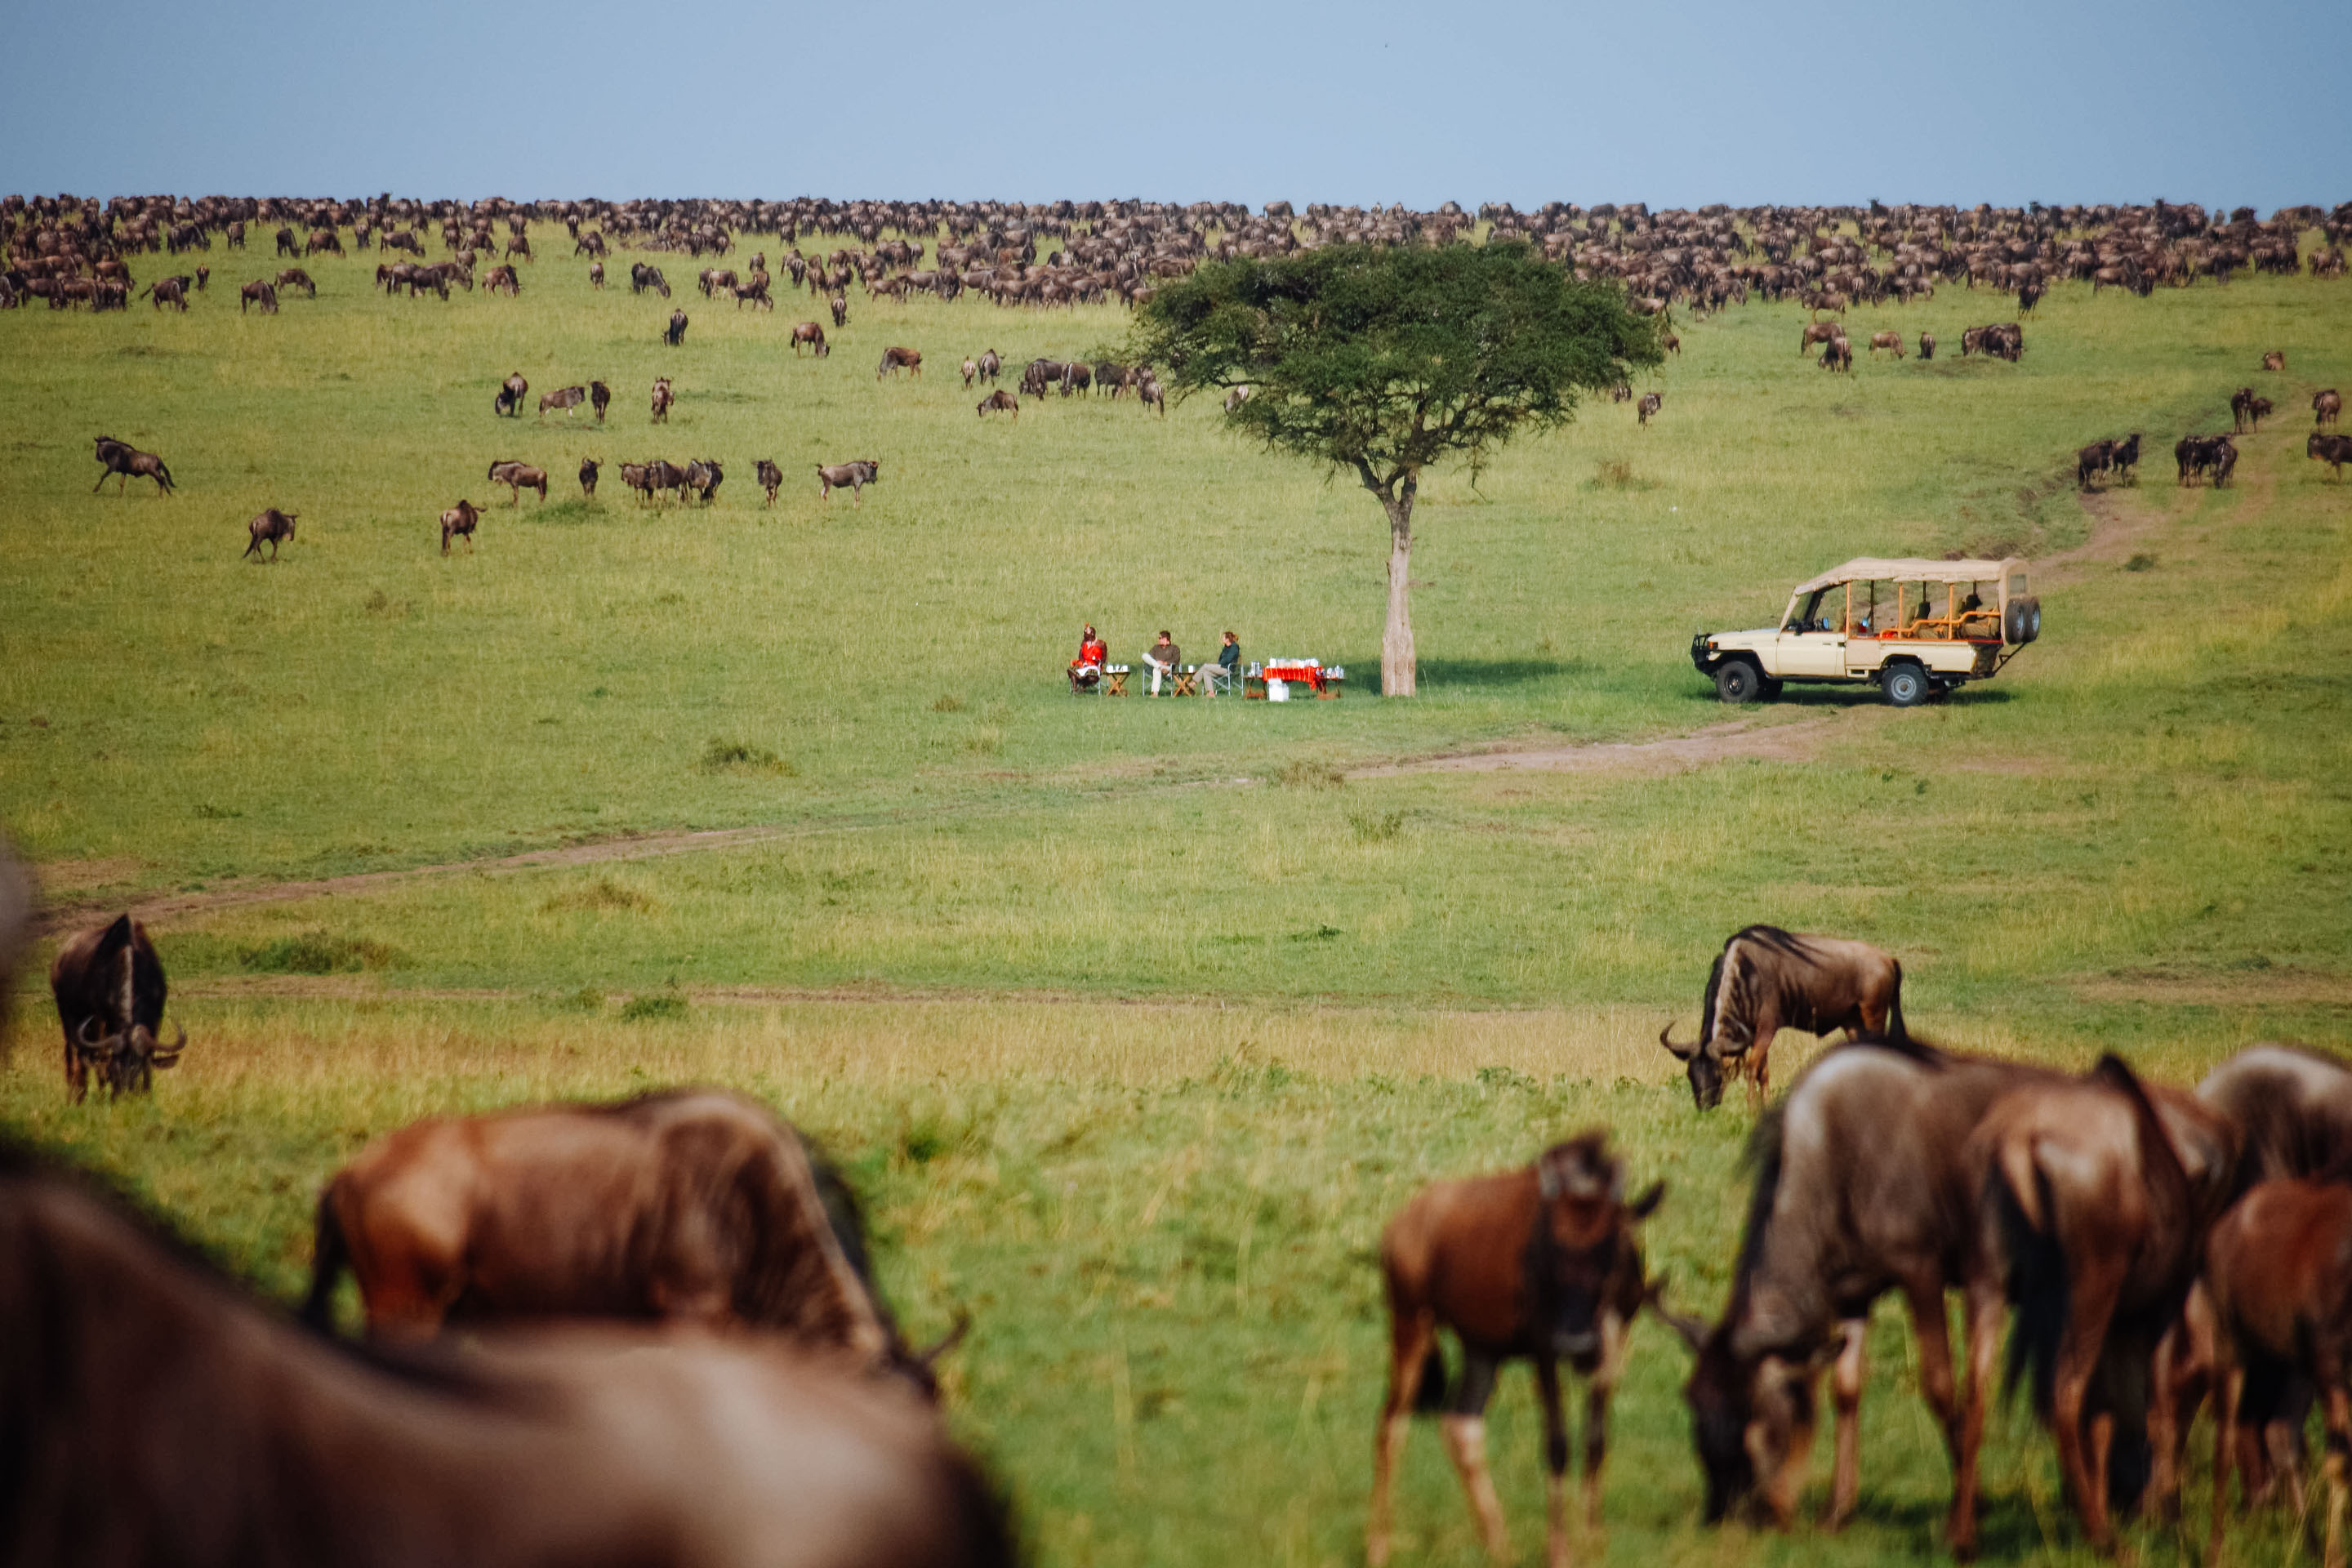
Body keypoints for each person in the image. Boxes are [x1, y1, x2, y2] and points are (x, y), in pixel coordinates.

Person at [1068, 623, 1107, 693]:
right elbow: (1080, 656)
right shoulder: (1084, 642)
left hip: (1095, 665)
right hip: (1084, 664)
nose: (1084, 635)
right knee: (1071, 670)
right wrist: (1083, 662)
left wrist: (1099, 661)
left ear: (1092, 634)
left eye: (1085, 634)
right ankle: (1075, 688)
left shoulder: (1101, 644)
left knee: (1091, 676)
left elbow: (1104, 658)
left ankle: (1083, 687)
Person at [1200, 630, 1240, 696]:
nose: (1222, 639)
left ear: (1227, 639)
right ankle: (1211, 693)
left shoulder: (1234, 647)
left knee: (1205, 666)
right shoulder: (1226, 648)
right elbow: (1221, 658)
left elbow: (1228, 659)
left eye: (1223, 637)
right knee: (1206, 673)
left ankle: (1193, 682)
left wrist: (1218, 665)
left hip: (1227, 669)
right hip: (1222, 667)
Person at [1143, 630, 1180, 696]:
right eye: (1159, 638)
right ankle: (1159, 667)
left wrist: (1165, 663)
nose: (1159, 640)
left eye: (1161, 638)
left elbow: (1176, 659)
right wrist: (1158, 664)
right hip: (1156, 667)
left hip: (1168, 669)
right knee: (1144, 656)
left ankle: (1155, 693)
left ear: (1167, 640)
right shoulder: (1155, 648)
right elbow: (1149, 658)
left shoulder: (1174, 648)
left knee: (1156, 669)